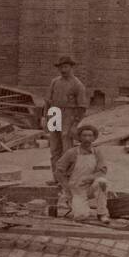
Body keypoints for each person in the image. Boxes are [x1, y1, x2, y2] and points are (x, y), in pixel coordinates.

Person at [44, 56, 89, 185]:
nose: (63, 70)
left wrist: (75, 125)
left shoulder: (77, 84)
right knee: (54, 149)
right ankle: (56, 178)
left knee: (67, 150)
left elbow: (82, 108)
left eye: (65, 67)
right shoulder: (55, 82)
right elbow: (48, 101)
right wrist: (46, 118)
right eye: (60, 67)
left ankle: (67, 179)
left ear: (71, 67)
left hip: (68, 115)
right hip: (55, 114)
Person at [55, 125, 110, 220]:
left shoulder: (97, 152)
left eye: (90, 136)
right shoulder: (71, 153)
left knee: (102, 182)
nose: (87, 138)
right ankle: (75, 205)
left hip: (91, 187)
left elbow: (102, 171)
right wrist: (66, 188)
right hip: (76, 189)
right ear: (79, 138)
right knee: (81, 216)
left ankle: (102, 213)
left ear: (93, 138)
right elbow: (59, 171)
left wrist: (89, 178)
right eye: (84, 136)